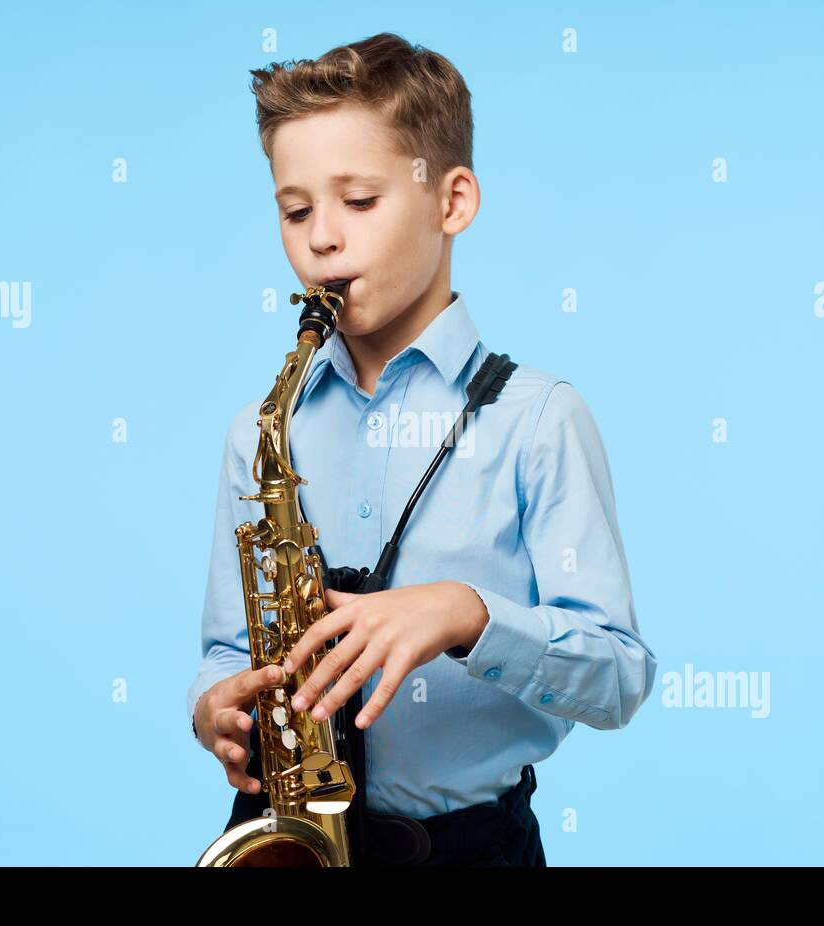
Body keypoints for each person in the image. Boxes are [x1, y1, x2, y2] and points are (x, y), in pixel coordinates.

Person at [188, 32, 657, 866]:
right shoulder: (262, 431)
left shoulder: (539, 419)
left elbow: (618, 677)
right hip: (294, 836)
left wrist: (468, 615)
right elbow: (229, 651)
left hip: (470, 849)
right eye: (296, 211)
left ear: (453, 203)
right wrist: (214, 706)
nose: (320, 241)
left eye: (359, 201)